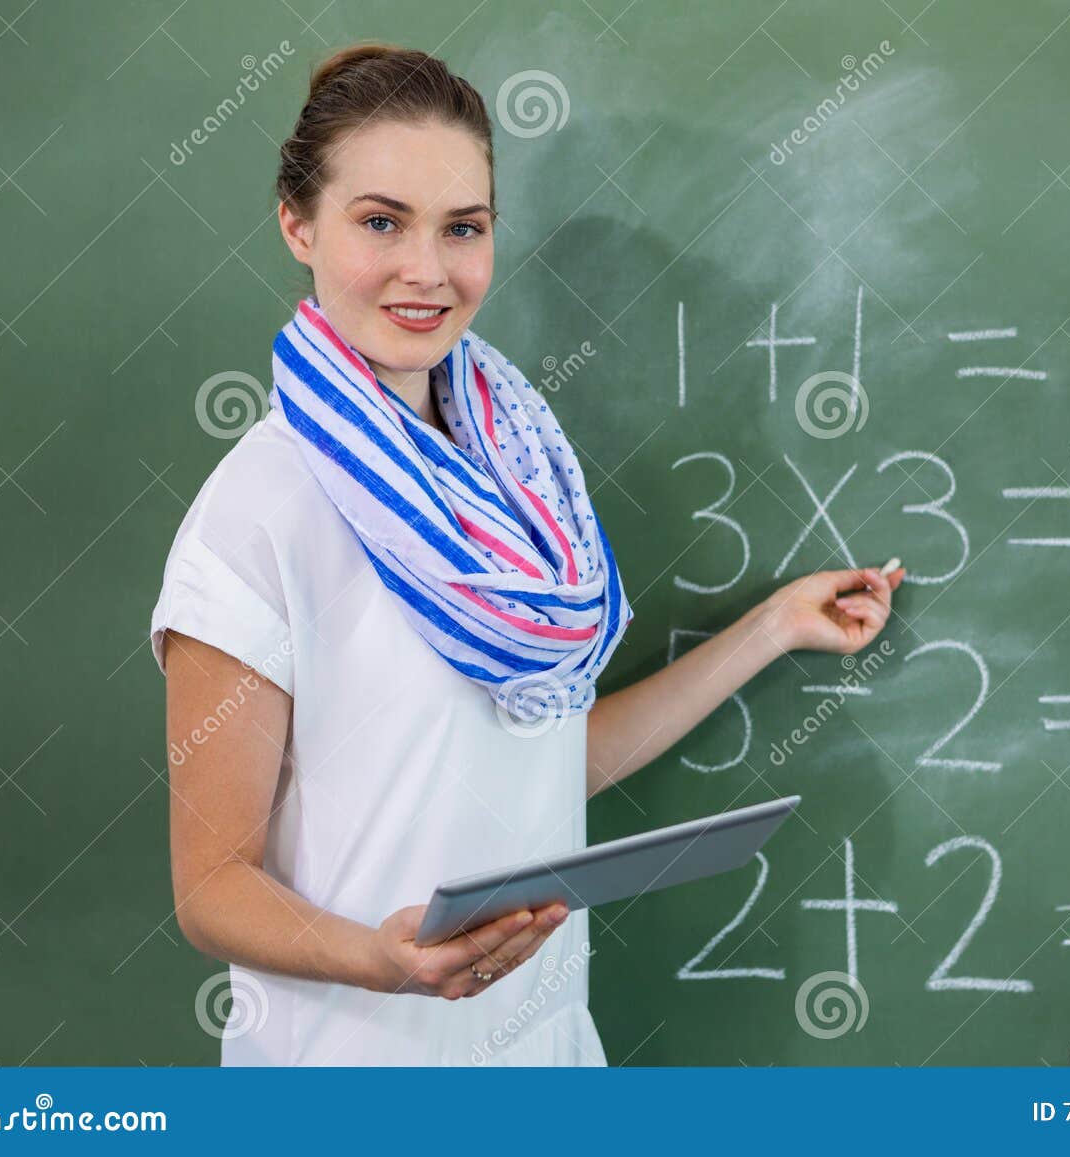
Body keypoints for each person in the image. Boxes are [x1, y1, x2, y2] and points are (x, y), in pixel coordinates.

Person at [150, 41, 905, 1066]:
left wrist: (773, 628)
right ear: (298, 225)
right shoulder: (259, 513)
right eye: (380, 221)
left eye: (463, 227)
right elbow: (211, 886)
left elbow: (548, 764)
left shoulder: (520, 485)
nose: (428, 270)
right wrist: (379, 956)